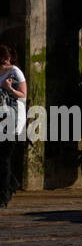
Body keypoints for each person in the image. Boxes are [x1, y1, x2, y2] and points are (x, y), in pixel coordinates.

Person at [0, 45, 28, 207]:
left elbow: (23, 96)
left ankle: (3, 195)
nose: (4, 59)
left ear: (10, 57)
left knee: (4, 158)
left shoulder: (15, 72)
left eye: (5, 56)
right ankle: (13, 183)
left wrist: (10, 89)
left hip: (12, 119)